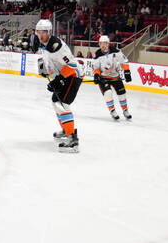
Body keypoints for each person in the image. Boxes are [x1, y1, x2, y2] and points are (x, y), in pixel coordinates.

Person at [32, 18, 82, 152]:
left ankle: (73, 140)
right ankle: (67, 130)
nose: (40, 35)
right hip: (64, 76)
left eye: (43, 32)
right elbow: (50, 61)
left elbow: (71, 65)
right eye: (38, 32)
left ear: (49, 32)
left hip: (72, 76)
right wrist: (45, 71)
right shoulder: (45, 44)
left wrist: (59, 80)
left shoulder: (56, 45)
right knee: (56, 103)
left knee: (61, 104)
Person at [88, 34, 132, 121]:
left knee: (122, 94)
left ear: (108, 44)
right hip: (104, 78)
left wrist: (127, 71)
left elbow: (125, 61)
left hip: (115, 77)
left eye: (104, 43)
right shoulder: (97, 54)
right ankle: (112, 111)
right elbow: (96, 68)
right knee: (108, 93)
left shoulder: (116, 51)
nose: (102, 45)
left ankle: (125, 110)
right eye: (101, 43)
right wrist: (96, 75)